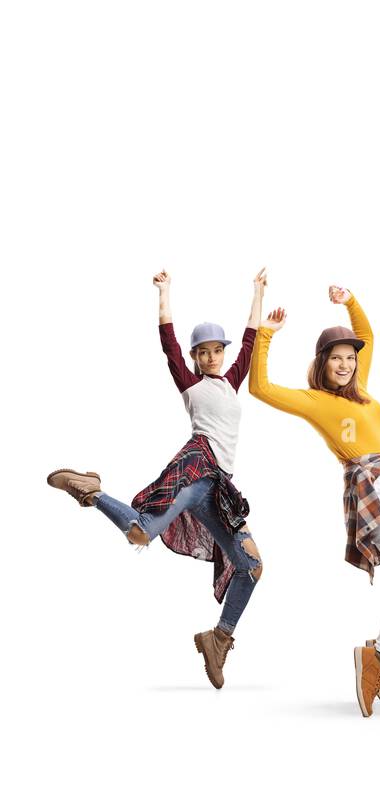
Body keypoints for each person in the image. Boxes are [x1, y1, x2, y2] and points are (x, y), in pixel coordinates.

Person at [47, 269, 266, 688]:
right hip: (194, 471)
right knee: (140, 534)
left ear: (222, 353)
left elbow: (251, 339)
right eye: (202, 352)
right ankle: (91, 491)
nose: (210, 358)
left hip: (218, 489)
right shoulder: (190, 385)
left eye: (216, 351)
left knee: (251, 567)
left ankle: (218, 640)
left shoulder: (231, 383)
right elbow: (168, 343)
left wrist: (257, 292)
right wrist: (164, 294)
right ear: (196, 358)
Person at [249, 285, 380, 718]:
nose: (346, 363)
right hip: (374, 489)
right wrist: (267, 334)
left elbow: (367, 337)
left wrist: (351, 302)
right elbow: (259, 387)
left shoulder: (362, 387)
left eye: (349, 358)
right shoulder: (317, 402)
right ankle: (378, 659)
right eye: (336, 357)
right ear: (322, 363)